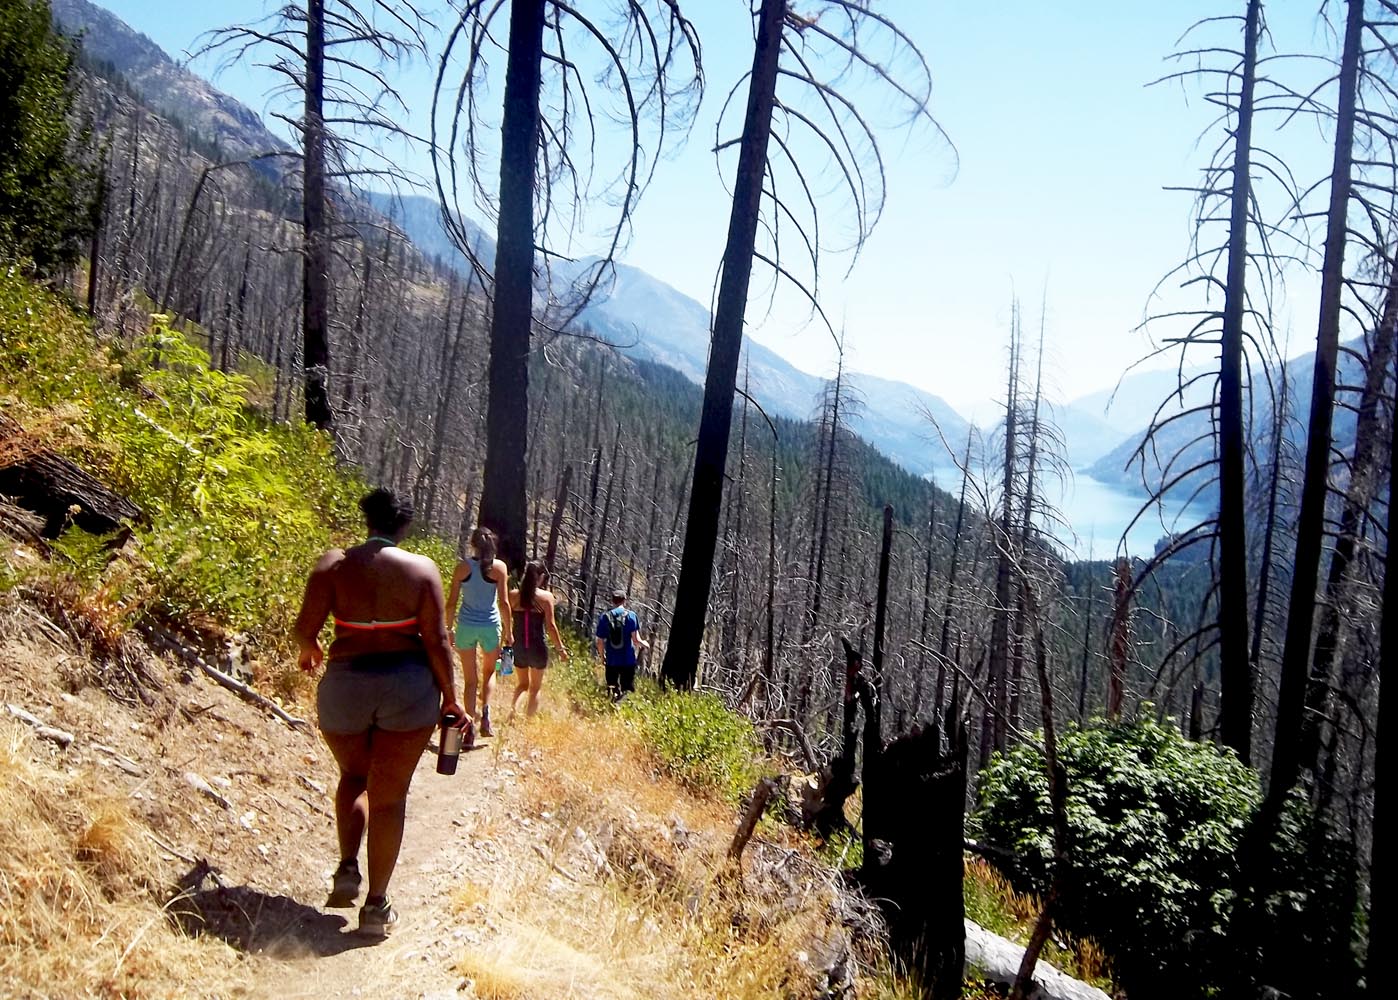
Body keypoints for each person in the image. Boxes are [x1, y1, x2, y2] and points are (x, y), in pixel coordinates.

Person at [293, 488, 466, 937]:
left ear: (366, 520)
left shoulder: (333, 565)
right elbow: (437, 642)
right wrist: (451, 697)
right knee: (388, 796)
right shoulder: (421, 570)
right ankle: (375, 906)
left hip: (345, 686)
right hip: (406, 689)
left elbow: (304, 631)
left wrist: (310, 648)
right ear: (403, 526)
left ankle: (347, 869)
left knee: (354, 776)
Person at [446, 527, 512, 737]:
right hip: (490, 626)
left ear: (472, 544)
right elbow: (504, 603)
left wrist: (448, 629)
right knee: (489, 672)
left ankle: (469, 727)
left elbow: (451, 604)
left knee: (470, 680)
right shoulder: (499, 568)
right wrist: (509, 631)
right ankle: (485, 713)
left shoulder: (462, 568)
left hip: (466, 625)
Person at [505, 561, 570, 718]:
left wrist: (505, 641)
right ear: (540, 578)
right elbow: (551, 626)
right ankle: (528, 720)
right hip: (537, 648)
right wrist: (560, 649)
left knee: (522, 684)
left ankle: (513, 712)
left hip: (518, 646)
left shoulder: (513, 595)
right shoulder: (546, 598)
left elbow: (507, 619)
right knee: (535, 688)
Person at [595, 588, 649, 701]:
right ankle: (623, 710)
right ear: (624, 601)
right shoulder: (631, 616)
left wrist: (602, 657)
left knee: (612, 688)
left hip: (611, 660)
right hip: (628, 660)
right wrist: (645, 644)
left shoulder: (605, 617)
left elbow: (600, 642)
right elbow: (636, 640)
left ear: (612, 601)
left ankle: (611, 711)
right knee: (627, 690)